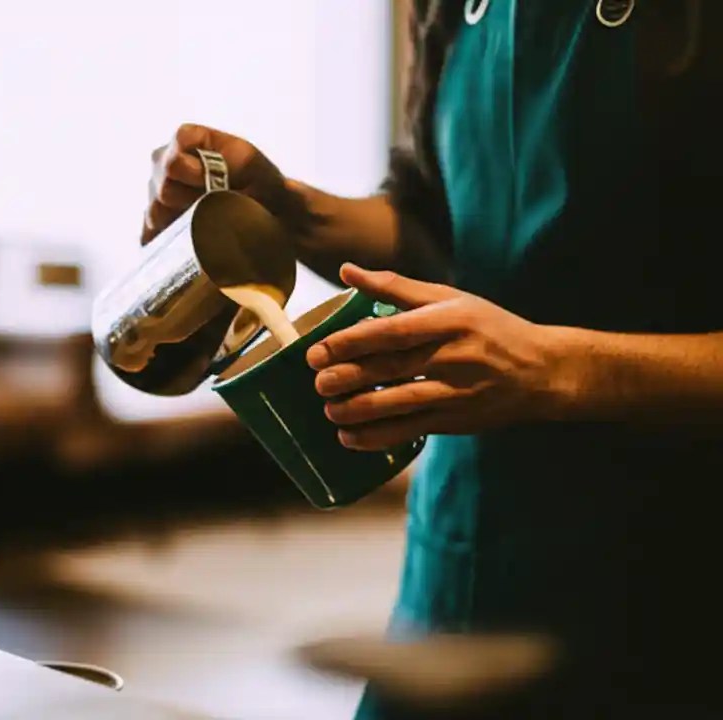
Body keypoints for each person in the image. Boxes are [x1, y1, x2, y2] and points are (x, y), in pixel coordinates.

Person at [142, 1, 721, 717]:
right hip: (463, 552)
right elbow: (432, 226)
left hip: (674, 578)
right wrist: (287, 209)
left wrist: (556, 368)